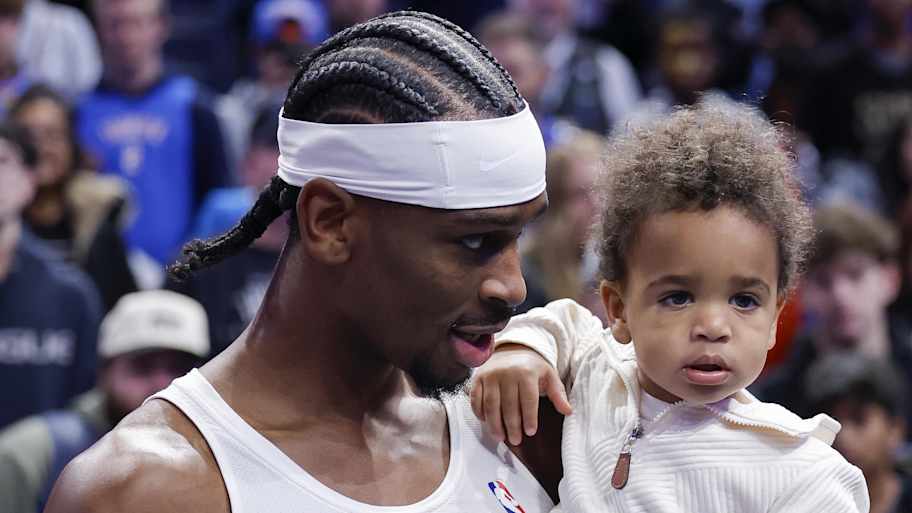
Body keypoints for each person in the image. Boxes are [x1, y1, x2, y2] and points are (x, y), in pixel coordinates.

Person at [46, 11, 556, 513]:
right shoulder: (144, 491)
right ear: (329, 223)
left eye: (518, 235)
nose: (513, 287)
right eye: (473, 241)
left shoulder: (520, 429)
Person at [471, 97, 869, 512]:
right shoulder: (596, 367)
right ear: (618, 309)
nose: (713, 326)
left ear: (774, 319)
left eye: (744, 300)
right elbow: (562, 324)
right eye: (678, 297)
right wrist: (519, 352)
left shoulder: (802, 472)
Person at [0, 289, 209, 513]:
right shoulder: (33, 454)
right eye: (143, 366)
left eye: (180, 368)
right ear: (104, 369)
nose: (162, 383)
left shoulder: (217, 461)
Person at [77, 0, 232, 284]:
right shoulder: (79, 112)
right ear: (98, 30)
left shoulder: (195, 107)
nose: (126, 36)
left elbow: (219, 201)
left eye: (137, 23)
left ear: (161, 26)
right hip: (100, 276)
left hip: (183, 276)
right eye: (115, 25)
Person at [753, 202, 912, 430]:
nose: (840, 295)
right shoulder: (769, 405)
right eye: (822, 280)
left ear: (890, 280)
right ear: (801, 292)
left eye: (855, 274)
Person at [0, 121, 102, 428]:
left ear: (29, 179)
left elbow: (85, 409)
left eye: (2, 162)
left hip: (45, 458)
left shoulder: (70, 294)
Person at [170, 107, 286, 356]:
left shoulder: (333, 266)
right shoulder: (198, 267)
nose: (286, 162)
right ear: (248, 165)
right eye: (277, 147)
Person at [9, 85, 136, 311]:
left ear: (72, 144)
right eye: (27, 136)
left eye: (53, 135)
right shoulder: (4, 222)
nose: (40, 148)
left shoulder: (98, 224)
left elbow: (122, 308)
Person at [805, 353, 912, 513]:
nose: (843, 436)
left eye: (858, 419)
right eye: (832, 422)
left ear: (894, 430)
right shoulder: (807, 504)